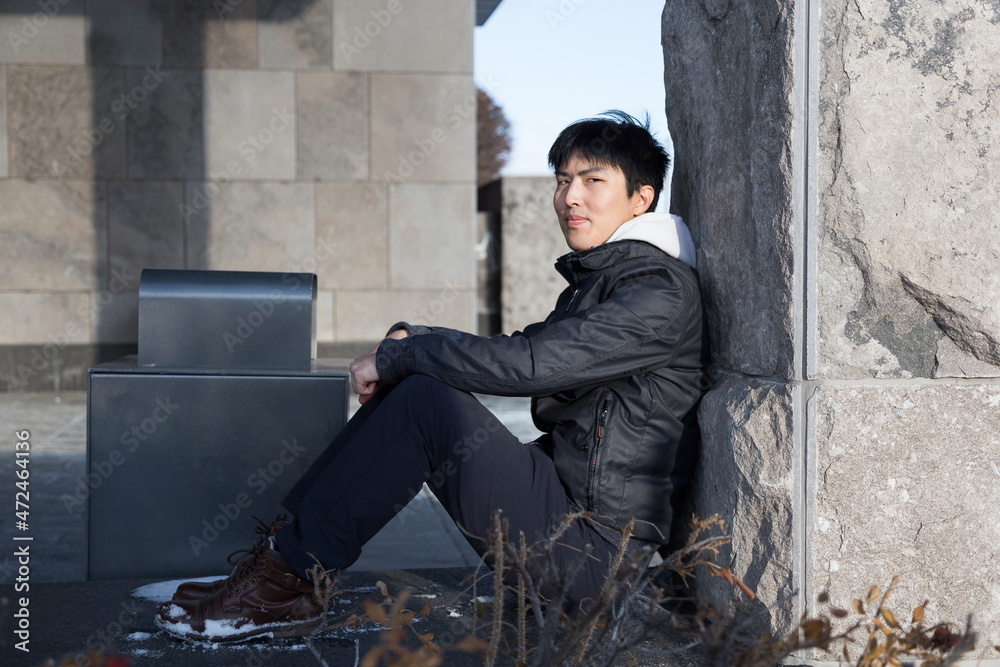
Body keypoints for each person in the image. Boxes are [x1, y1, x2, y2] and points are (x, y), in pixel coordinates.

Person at [155, 110, 707, 643]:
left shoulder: (657, 290)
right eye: (562, 180)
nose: (569, 197)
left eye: (593, 180)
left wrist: (405, 356)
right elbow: (518, 349)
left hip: (594, 556)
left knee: (426, 400)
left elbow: (530, 365)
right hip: (567, 518)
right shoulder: (609, 279)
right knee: (421, 389)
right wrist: (414, 340)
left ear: (642, 197)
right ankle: (283, 564)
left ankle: (285, 579)